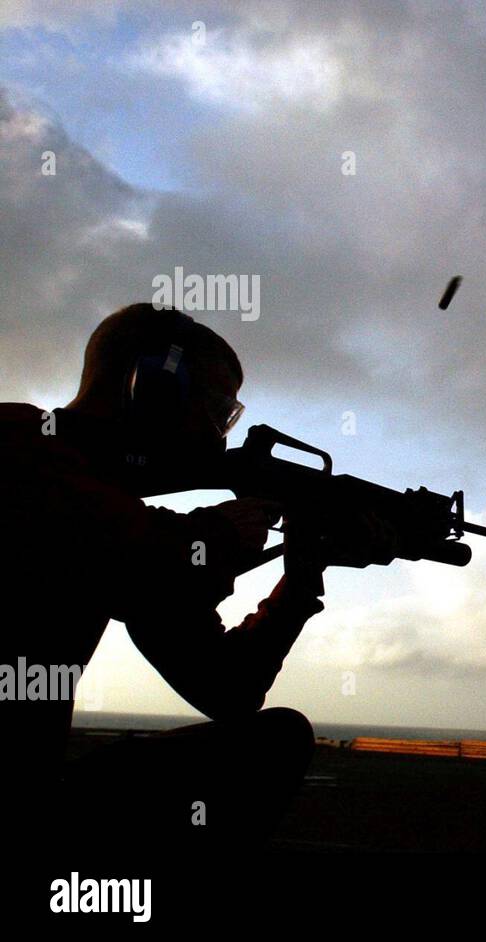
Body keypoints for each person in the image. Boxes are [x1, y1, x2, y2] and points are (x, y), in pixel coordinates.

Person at [0, 302, 394, 852]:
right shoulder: (15, 443)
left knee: (273, 740)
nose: (218, 442)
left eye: (227, 418)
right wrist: (221, 534)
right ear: (152, 387)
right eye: (214, 410)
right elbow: (141, 556)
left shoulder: (125, 531)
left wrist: (302, 577)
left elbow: (226, 689)